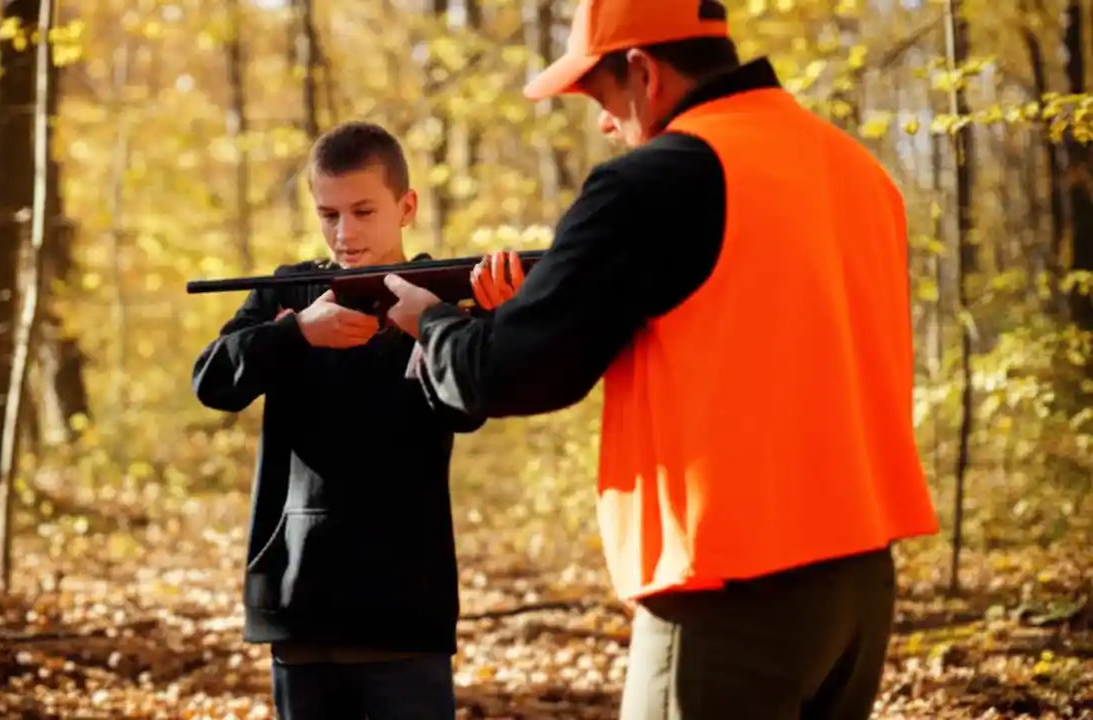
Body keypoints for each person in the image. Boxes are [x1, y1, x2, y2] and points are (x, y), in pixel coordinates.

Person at [382, 1, 941, 718]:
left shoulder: (655, 180)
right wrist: (539, 303)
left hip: (732, 591)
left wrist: (431, 325)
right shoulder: (858, 171)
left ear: (643, 71)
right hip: (862, 582)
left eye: (598, 94)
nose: (603, 122)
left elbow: (511, 373)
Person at [191, 121, 504, 719]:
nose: (345, 231)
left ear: (406, 206)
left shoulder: (445, 301)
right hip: (299, 600)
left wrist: (438, 328)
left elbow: (468, 409)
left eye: (363, 211)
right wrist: (295, 333)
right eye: (328, 213)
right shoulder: (288, 293)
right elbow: (213, 383)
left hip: (406, 609)